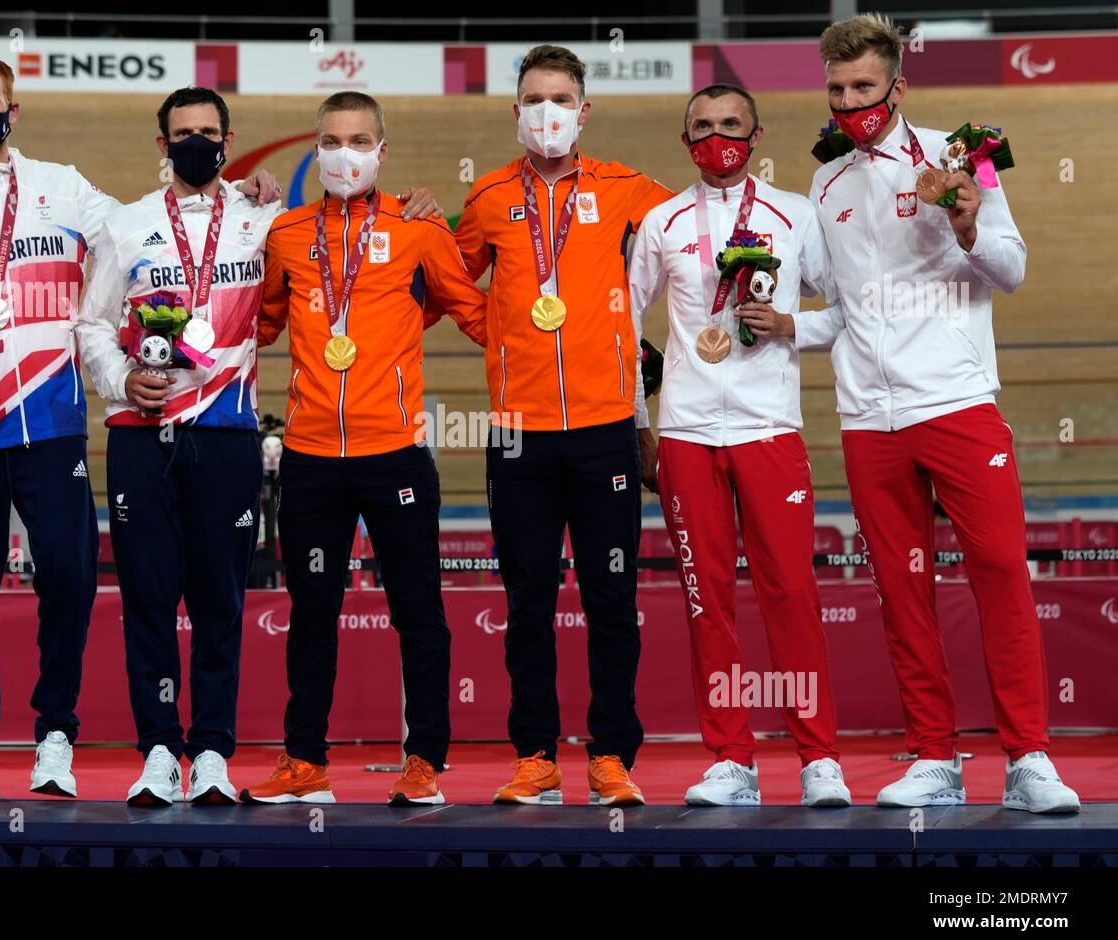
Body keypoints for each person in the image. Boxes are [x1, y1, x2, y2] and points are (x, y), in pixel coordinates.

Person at [0, 54, 279, 805]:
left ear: (14, 112)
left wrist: (233, 196)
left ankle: (55, 737)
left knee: (71, 580)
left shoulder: (64, 188)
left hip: (52, 426)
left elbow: (147, 232)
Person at [810, 14, 1077, 812]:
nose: (850, 101)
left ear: (898, 84)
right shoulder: (825, 184)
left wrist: (966, 224)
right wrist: (784, 330)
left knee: (1000, 577)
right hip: (867, 417)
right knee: (903, 590)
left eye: (863, 86)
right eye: (836, 89)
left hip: (957, 403)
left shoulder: (966, 156)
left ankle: (1030, 758)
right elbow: (839, 312)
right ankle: (935, 756)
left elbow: (1013, 267)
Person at [241, 91, 488, 807]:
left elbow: (474, 315)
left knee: (419, 610)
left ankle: (425, 763)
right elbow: (258, 326)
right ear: (315, 150)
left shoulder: (419, 231)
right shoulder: (286, 234)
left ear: (382, 151)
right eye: (331, 141)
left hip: (396, 455)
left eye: (358, 140)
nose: (343, 153)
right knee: (312, 611)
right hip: (311, 456)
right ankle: (304, 762)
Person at [453, 45, 675, 807]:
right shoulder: (486, 198)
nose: (546, 111)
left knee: (612, 601)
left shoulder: (628, 190)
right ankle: (536, 756)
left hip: (607, 428)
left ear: (584, 111)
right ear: (516, 111)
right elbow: (447, 279)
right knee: (527, 607)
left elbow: (698, 238)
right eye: (532, 98)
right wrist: (504, 336)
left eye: (560, 98)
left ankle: (611, 754)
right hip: (518, 433)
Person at [630, 84, 851, 807]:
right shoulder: (662, 221)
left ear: (755, 137)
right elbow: (620, 329)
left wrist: (790, 324)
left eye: (730, 125)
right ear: (685, 138)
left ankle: (818, 757)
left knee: (792, 594)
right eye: (702, 127)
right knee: (708, 601)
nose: (716, 137)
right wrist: (641, 424)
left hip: (769, 430)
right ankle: (732, 757)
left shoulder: (796, 214)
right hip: (689, 434)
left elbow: (845, 312)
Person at [76, 87, 281, 806]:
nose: (195, 142)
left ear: (227, 140)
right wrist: (122, 380)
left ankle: (215, 752)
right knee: (149, 600)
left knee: (222, 601)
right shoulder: (126, 225)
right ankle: (160, 748)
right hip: (141, 436)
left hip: (227, 434)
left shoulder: (264, 220)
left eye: (208, 132)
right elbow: (92, 323)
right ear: (162, 146)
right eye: (181, 133)